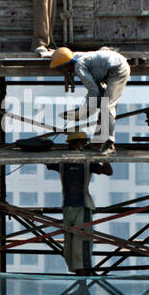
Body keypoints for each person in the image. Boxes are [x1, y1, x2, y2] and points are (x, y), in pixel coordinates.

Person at [47, 132, 112, 274]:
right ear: (74, 143)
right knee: (70, 246)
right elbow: (46, 162)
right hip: (68, 207)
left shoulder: (87, 161)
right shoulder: (62, 161)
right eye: (82, 143)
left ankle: (84, 272)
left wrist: (103, 156)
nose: (84, 146)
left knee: (82, 243)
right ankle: (78, 272)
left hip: (83, 205)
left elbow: (107, 171)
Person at [49, 46, 131, 154]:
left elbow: (93, 91)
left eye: (60, 68)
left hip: (118, 71)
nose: (61, 72)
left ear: (66, 64)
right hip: (112, 68)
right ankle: (97, 144)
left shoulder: (79, 66)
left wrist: (82, 112)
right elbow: (96, 92)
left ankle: (109, 144)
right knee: (102, 105)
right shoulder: (76, 57)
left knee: (106, 107)